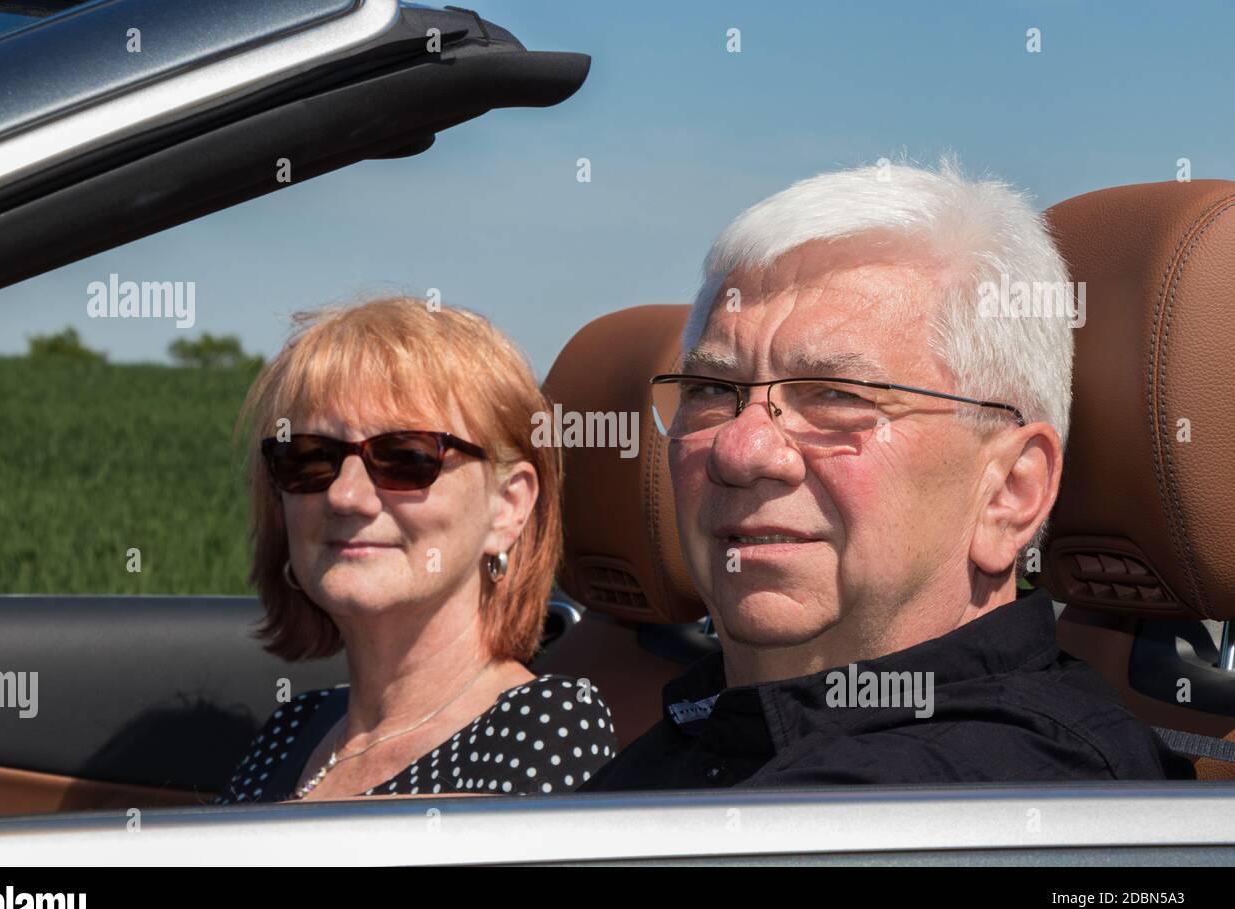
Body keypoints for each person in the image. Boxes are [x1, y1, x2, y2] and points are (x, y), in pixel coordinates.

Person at [583, 160, 1193, 790]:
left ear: (1010, 491)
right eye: (712, 388)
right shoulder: (704, 732)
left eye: (837, 397)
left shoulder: (989, 801)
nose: (741, 450)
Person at [215, 296, 615, 802]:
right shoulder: (294, 729)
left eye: (406, 457)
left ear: (508, 507)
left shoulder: (543, 726)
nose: (345, 495)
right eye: (311, 459)